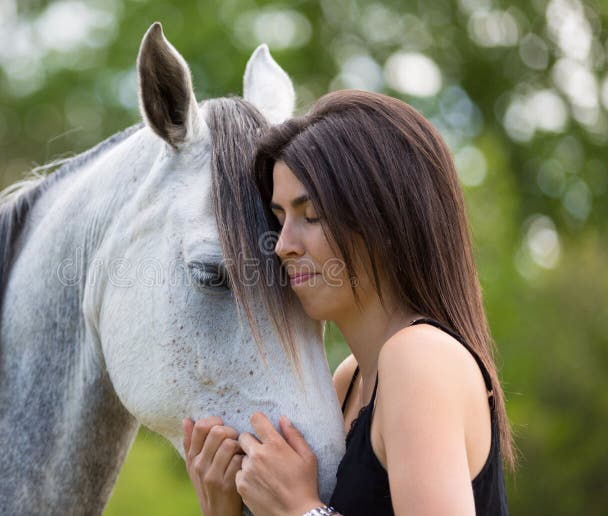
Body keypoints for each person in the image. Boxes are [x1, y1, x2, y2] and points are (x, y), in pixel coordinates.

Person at [182, 90, 513, 516]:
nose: (283, 246)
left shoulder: (421, 359)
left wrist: (301, 510)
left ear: (385, 215)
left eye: (312, 215)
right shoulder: (349, 381)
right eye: (280, 219)